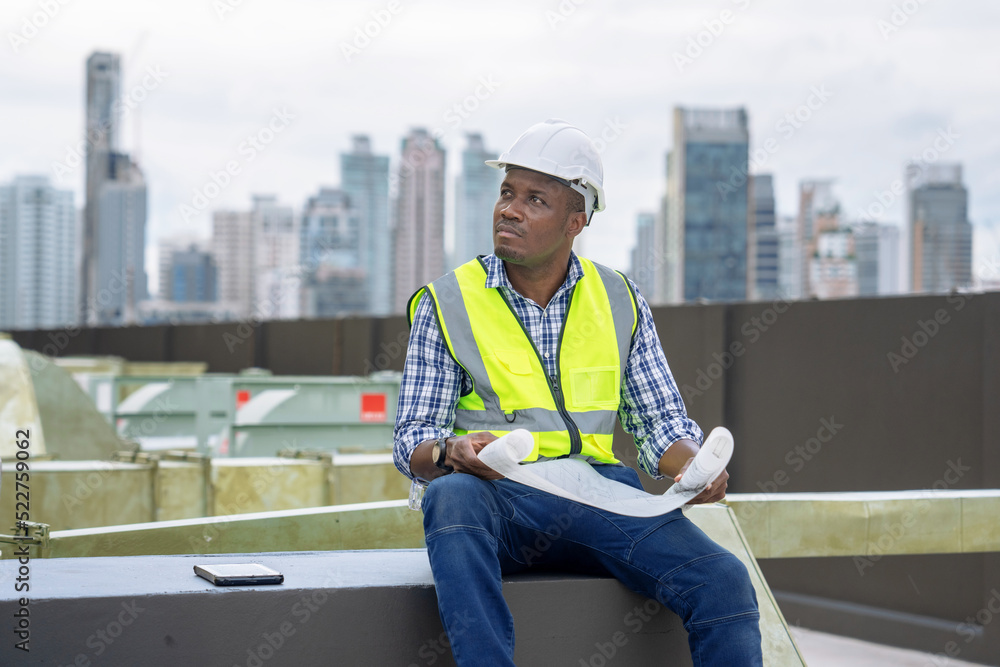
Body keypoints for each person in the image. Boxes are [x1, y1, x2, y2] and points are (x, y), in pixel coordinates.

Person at [392, 119, 763, 666]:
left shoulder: (618, 297)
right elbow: (412, 441)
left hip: (598, 499)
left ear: (575, 221)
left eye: (534, 199)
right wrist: (453, 452)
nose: (509, 209)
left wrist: (693, 468)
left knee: (725, 582)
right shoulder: (446, 303)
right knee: (451, 495)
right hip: (501, 498)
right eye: (507, 192)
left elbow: (659, 421)